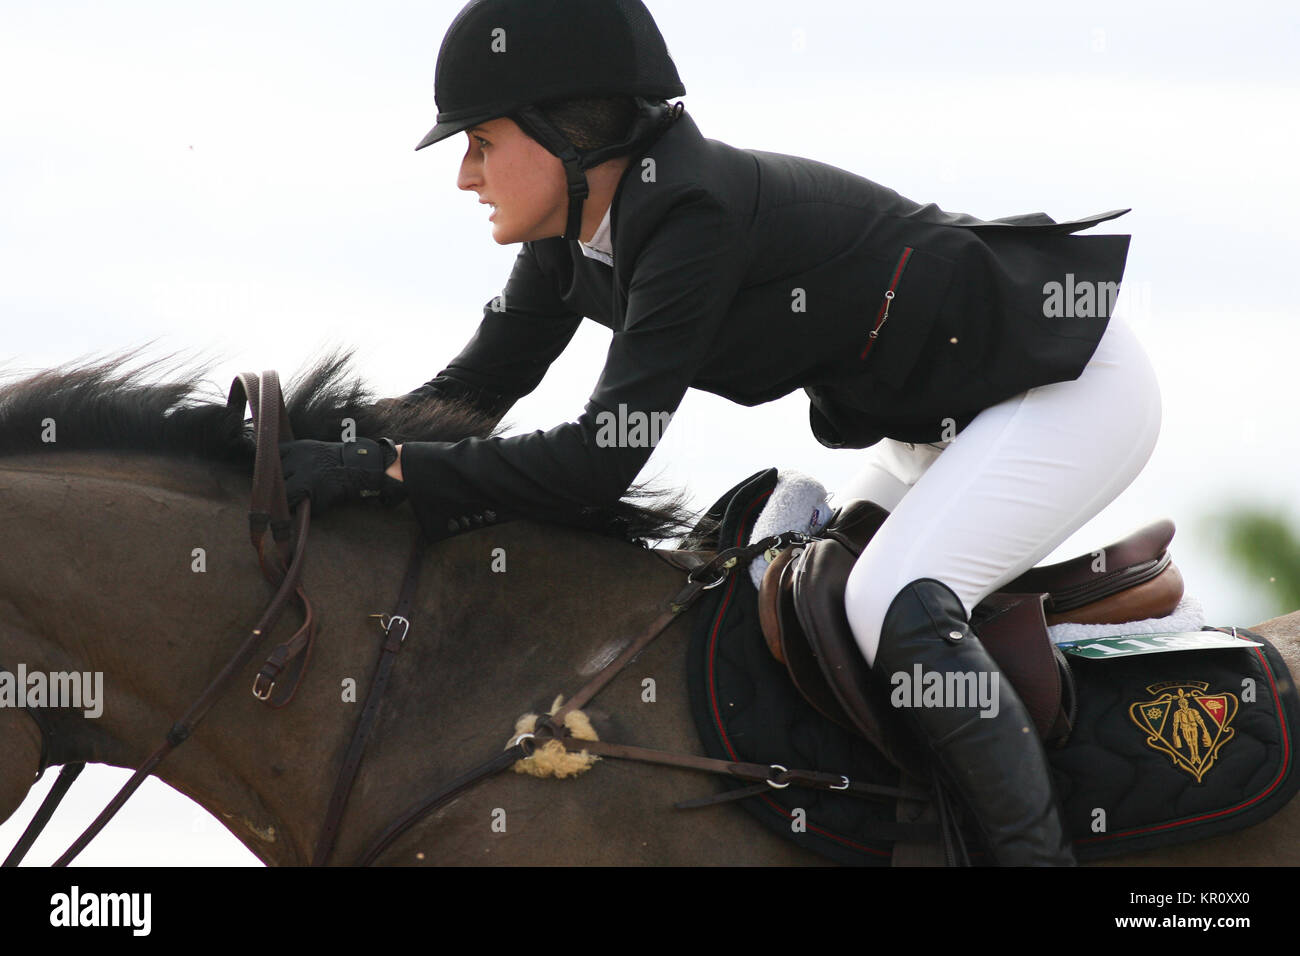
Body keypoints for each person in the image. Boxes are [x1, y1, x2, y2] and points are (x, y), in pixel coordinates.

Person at [279, 0, 1161, 866]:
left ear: (569, 134)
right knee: (800, 606)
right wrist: (294, 445)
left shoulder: (689, 212)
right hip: (940, 429)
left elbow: (599, 459)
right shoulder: (571, 237)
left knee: (889, 602)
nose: (465, 176)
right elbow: (470, 391)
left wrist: (384, 469)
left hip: (1069, 385)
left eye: (480, 144)